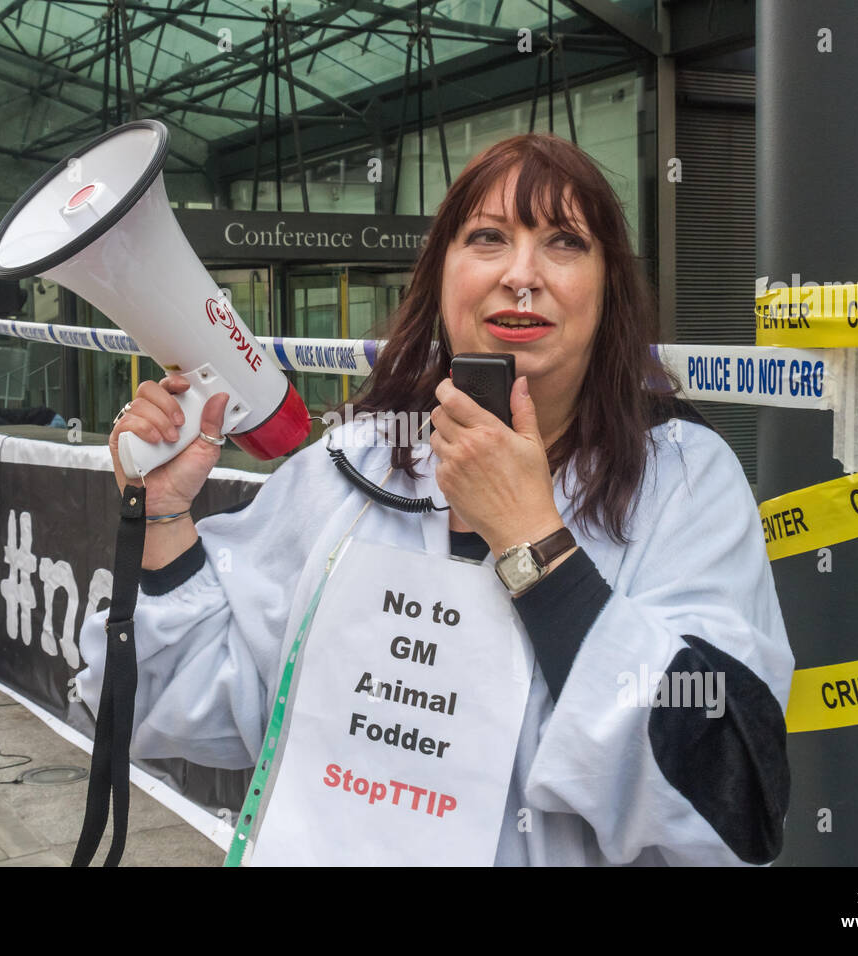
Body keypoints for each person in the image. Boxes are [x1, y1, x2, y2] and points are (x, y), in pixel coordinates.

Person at [78, 134, 795, 866]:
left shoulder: (683, 479)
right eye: (487, 238)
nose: (522, 275)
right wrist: (164, 517)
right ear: (440, 278)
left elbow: (729, 798)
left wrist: (534, 544)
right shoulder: (353, 464)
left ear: (609, 287)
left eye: (564, 243)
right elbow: (184, 710)